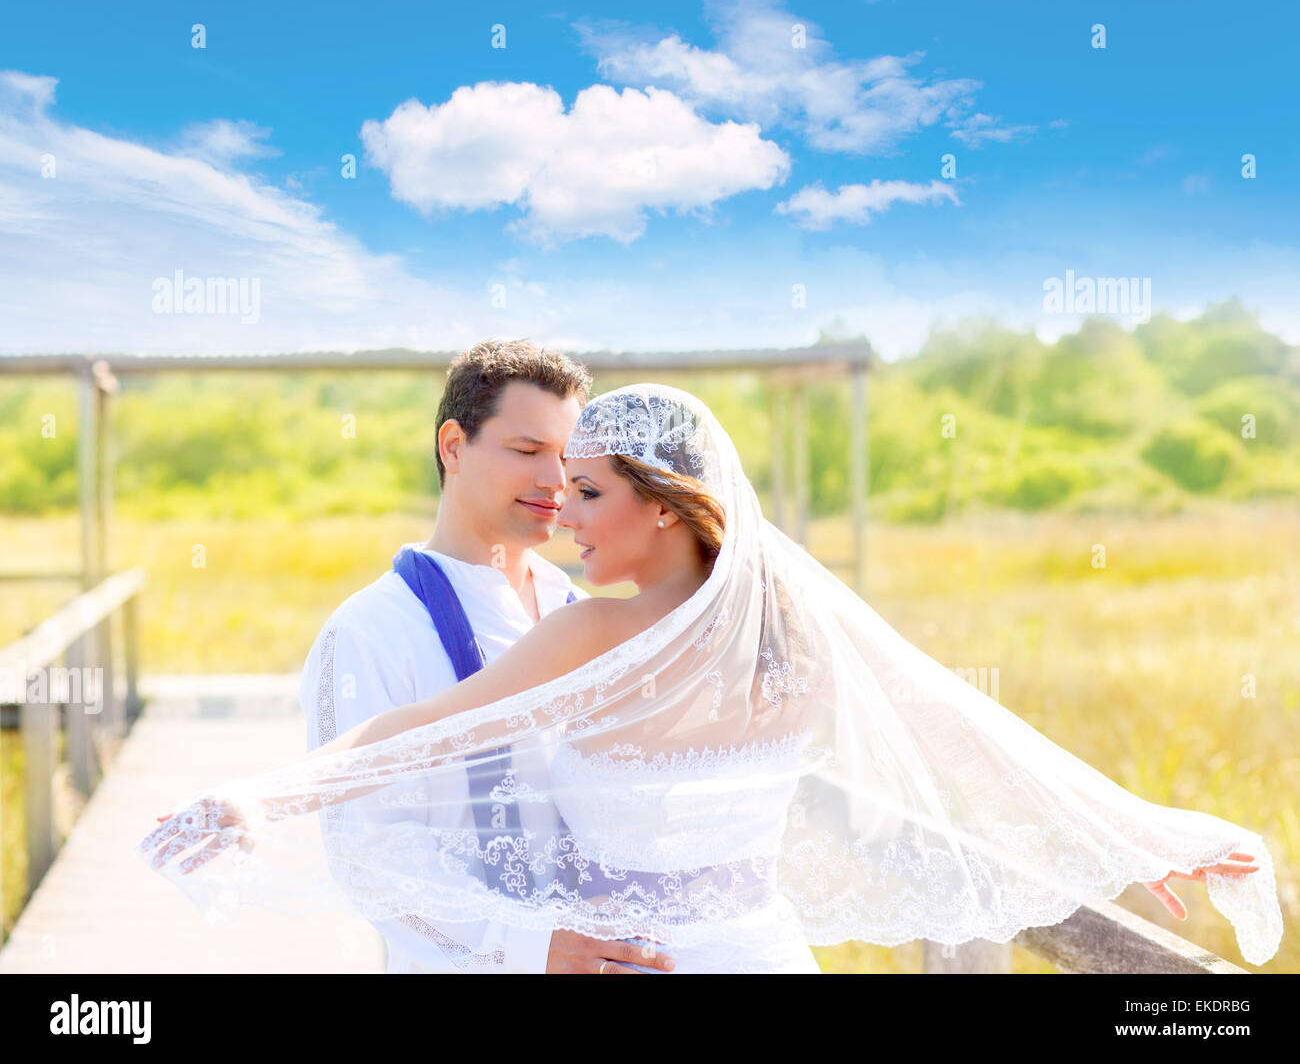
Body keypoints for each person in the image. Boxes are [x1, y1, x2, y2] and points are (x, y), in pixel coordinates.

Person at [137, 383, 1283, 972]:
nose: (562, 514)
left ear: (664, 503)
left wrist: (253, 799)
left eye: (588, 492)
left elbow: (408, 732)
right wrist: (1143, 834)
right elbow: (969, 736)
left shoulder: (593, 634)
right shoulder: (791, 627)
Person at [298, 339, 672, 974]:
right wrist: (527, 946)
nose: (555, 482)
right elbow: (364, 849)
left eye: (567, 458)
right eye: (527, 452)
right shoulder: (369, 631)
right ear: (453, 447)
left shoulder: (578, 612)